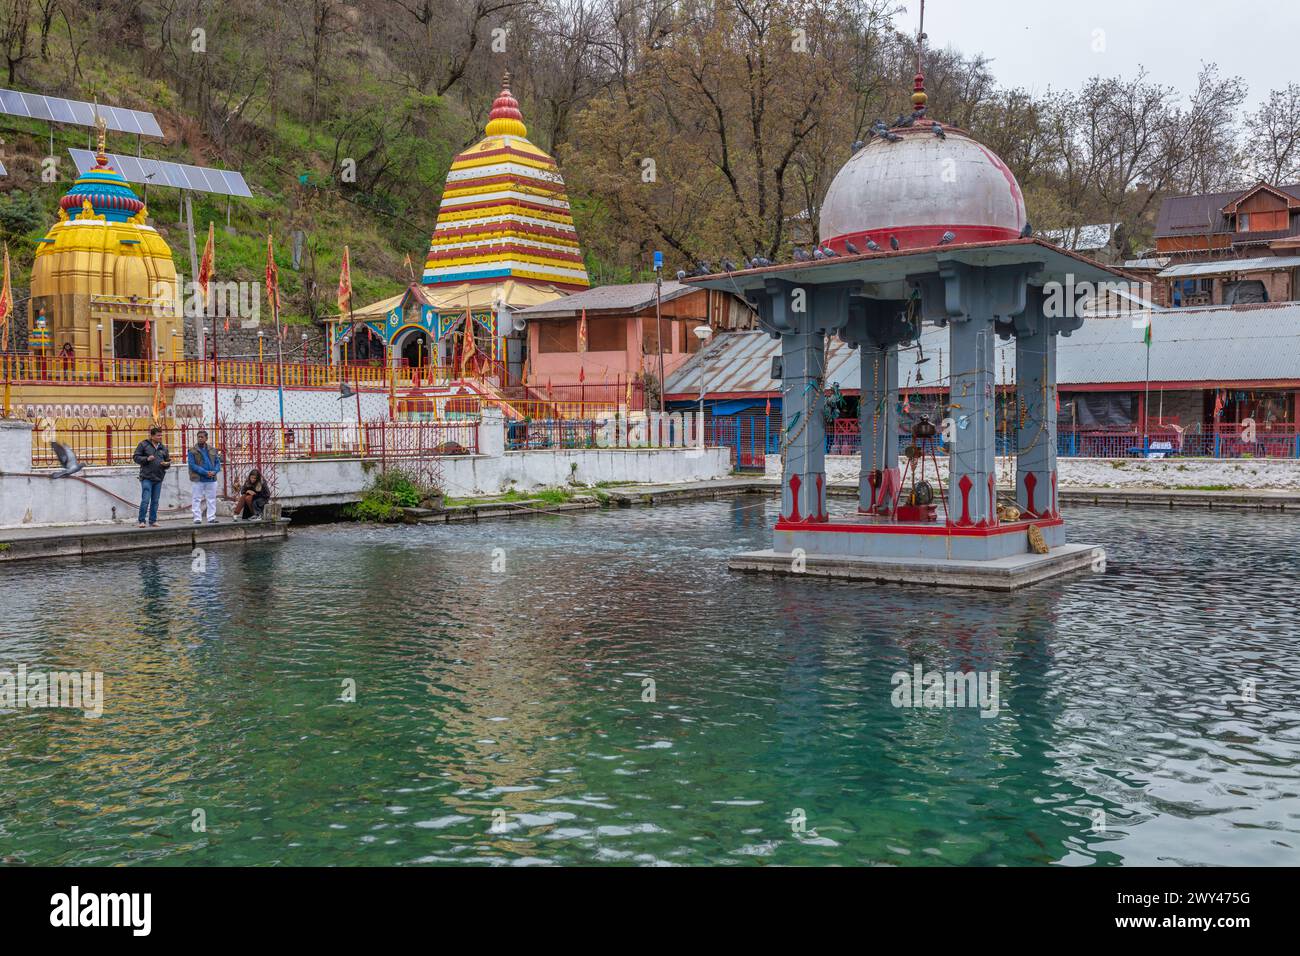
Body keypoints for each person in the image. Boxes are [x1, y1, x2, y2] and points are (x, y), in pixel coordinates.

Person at [132, 426, 171, 528]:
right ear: (152, 436)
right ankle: (141, 521)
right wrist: (147, 459)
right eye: (158, 435)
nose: (160, 437)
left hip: (158, 478)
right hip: (146, 477)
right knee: (145, 499)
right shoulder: (143, 445)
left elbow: (168, 461)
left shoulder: (163, 447)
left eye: (161, 435)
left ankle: (153, 520)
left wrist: (166, 464)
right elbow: (135, 457)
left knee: (155, 500)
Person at [187, 430, 222, 524]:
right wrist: (205, 472)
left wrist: (214, 471)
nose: (200, 438)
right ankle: (197, 518)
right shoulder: (192, 450)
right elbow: (192, 465)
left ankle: (211, 518)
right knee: (196, 498)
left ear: (206, 438)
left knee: (211, 499)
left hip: (211, 479)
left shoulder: (212, 449)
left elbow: (217, 463)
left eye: (202, 437)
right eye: (199, 437)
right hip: (198, 479)